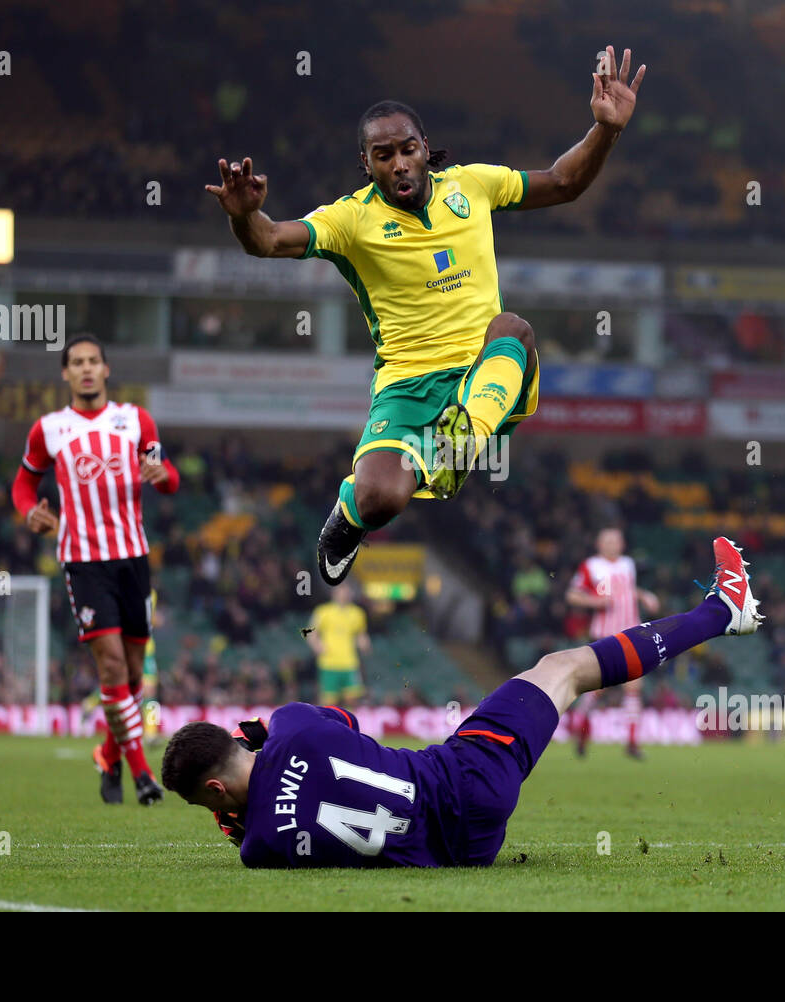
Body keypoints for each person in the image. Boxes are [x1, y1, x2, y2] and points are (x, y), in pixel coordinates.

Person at [204, 46, 646, 585]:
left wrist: (606, 130)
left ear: (425, 149)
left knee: (515, 330)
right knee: (382, 497)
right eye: (383, 154)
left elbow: (563, 182)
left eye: (408, 149)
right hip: (407, 385)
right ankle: (349, 516)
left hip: (483, 375)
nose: (399, 163)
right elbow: (269, 240)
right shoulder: (351, 220)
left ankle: (458, 443)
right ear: (366, 164)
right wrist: (246, 216)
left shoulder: (473, 186)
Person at [161, 537, 761, 868]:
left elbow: (259, 826)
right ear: (238, 740)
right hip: (463, 776)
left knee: (561, 677)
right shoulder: (290, 725)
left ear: (214, 795)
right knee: (565, 668)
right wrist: (267, 740)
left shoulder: (259, 848)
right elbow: (342, 723)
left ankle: (721, 611)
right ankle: (720, 611)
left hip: (466, 850)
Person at [11, 334, 180, 804]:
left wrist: (164, 475)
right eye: (76, 363)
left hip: (132, 558)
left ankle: (108, 755)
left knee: (130, 676)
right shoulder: (48, 429)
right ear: (65, 374)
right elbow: (23, 485)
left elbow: (167, 479)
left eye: (93, 361)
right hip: (83, 561)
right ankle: (142, 775)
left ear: (106, 369)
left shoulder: (135, 421)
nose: (86, 369)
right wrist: (29, 512)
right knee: (110, 667)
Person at [566, 526, 659, 758]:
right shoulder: (591, 566)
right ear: (599, 544)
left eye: (615, 541)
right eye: (607, 541)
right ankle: (580, 731)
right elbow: (572, 594)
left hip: (632, 632)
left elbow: (626, 590)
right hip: (605, 635)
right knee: (597, 688)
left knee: (634, 687)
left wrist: (643, 595)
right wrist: (595, 602)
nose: (612, 545)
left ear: (622, 544)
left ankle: (631, 742)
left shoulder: (627, 563)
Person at [305, 584, 371, 708]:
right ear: (334, 594)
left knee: (352, 699)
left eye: (347, 591)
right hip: (329, 662)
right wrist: (316, 645)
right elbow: (310, 632)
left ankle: (348, 725)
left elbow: (361, 634)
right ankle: (326, 725)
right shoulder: (323, 611)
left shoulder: (357, 613)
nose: (344, 594)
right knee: (329, 701)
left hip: (350, 663)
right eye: (341, 591)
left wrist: (364, 643)